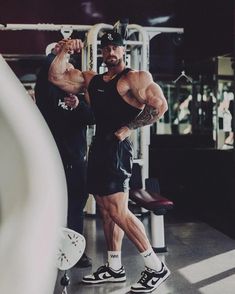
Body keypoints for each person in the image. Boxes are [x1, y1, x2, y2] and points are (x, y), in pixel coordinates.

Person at [48, 31, 169, 293]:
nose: (111, 52)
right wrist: (65, 50)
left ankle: (156, 266)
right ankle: (114, 267)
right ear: (102, 52)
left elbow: (159, 106)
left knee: (118, 210)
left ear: (123, 51)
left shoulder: (135, 78)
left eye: (116, 48)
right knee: (105, 209)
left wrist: (129, 127)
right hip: (99, 148)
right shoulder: (92, 80)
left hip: (117, 149)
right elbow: (56, 77)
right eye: (107, 48)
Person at [35, 43, 94, 267]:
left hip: (76, 158)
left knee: (76, 206)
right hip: (51, 158)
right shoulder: (46, 86)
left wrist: (79, 105)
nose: (67, 67)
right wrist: (62, 50)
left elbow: (92, 118)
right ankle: (48, 249)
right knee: (51, 204)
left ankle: (73, 252)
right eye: (62, 62)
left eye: (69, 65)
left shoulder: (78, 92)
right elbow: (49, 71)